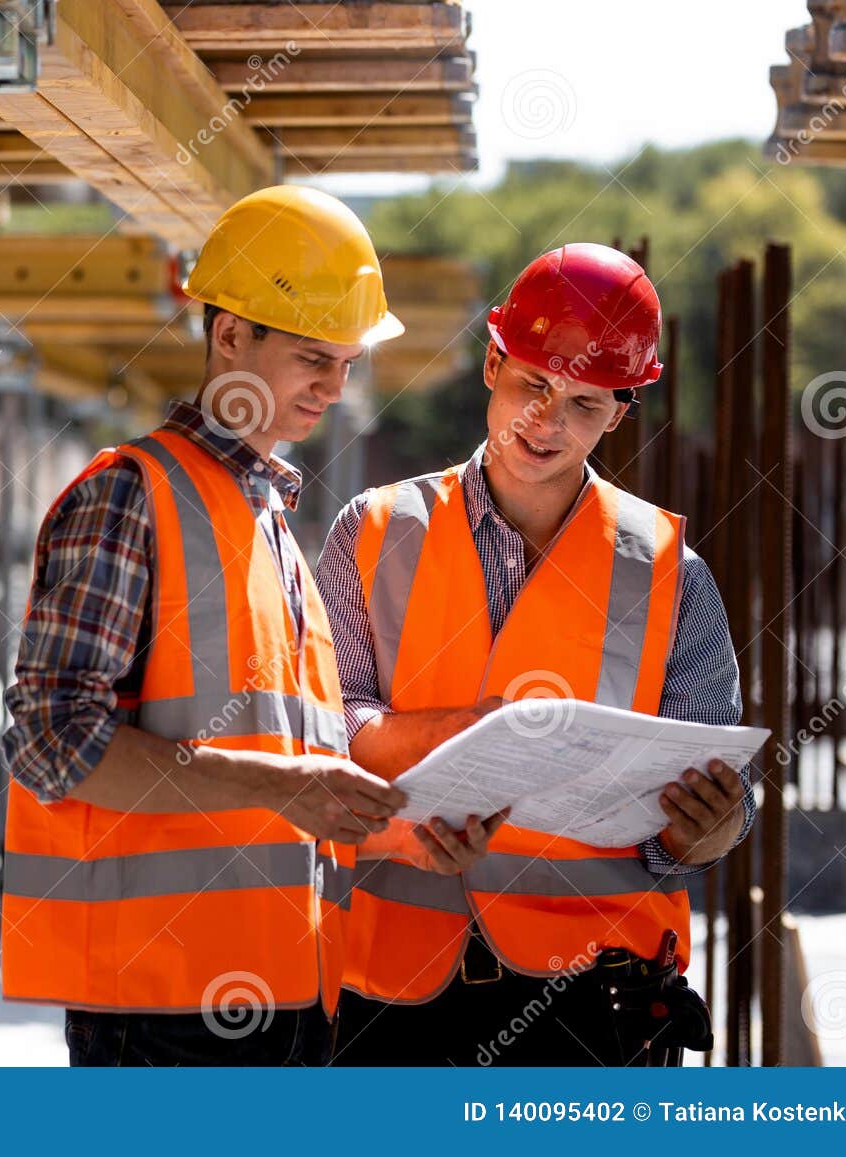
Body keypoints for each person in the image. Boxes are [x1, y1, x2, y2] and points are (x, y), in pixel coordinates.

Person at [0, 186, 419, 1066]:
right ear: (230, 335)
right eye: (313, 357)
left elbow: (288, 775)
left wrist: (401, 826)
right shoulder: (129, 498)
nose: (335, 389)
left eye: (347, 362)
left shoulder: (270, 521)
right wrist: (275, 787)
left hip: (290, 996)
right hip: (162, 1013)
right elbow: (49, 741)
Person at [316, 244, 750, 1067]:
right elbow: (322, 723)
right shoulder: (373, 531)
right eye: (533, 385)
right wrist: (451, 741)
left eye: (584, 403)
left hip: (598, 1002)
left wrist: (711, 830)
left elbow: (708, 795)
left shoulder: (670, 574)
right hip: (389, 992)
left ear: (620, 411)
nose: (547, 422)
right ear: (492, 362)